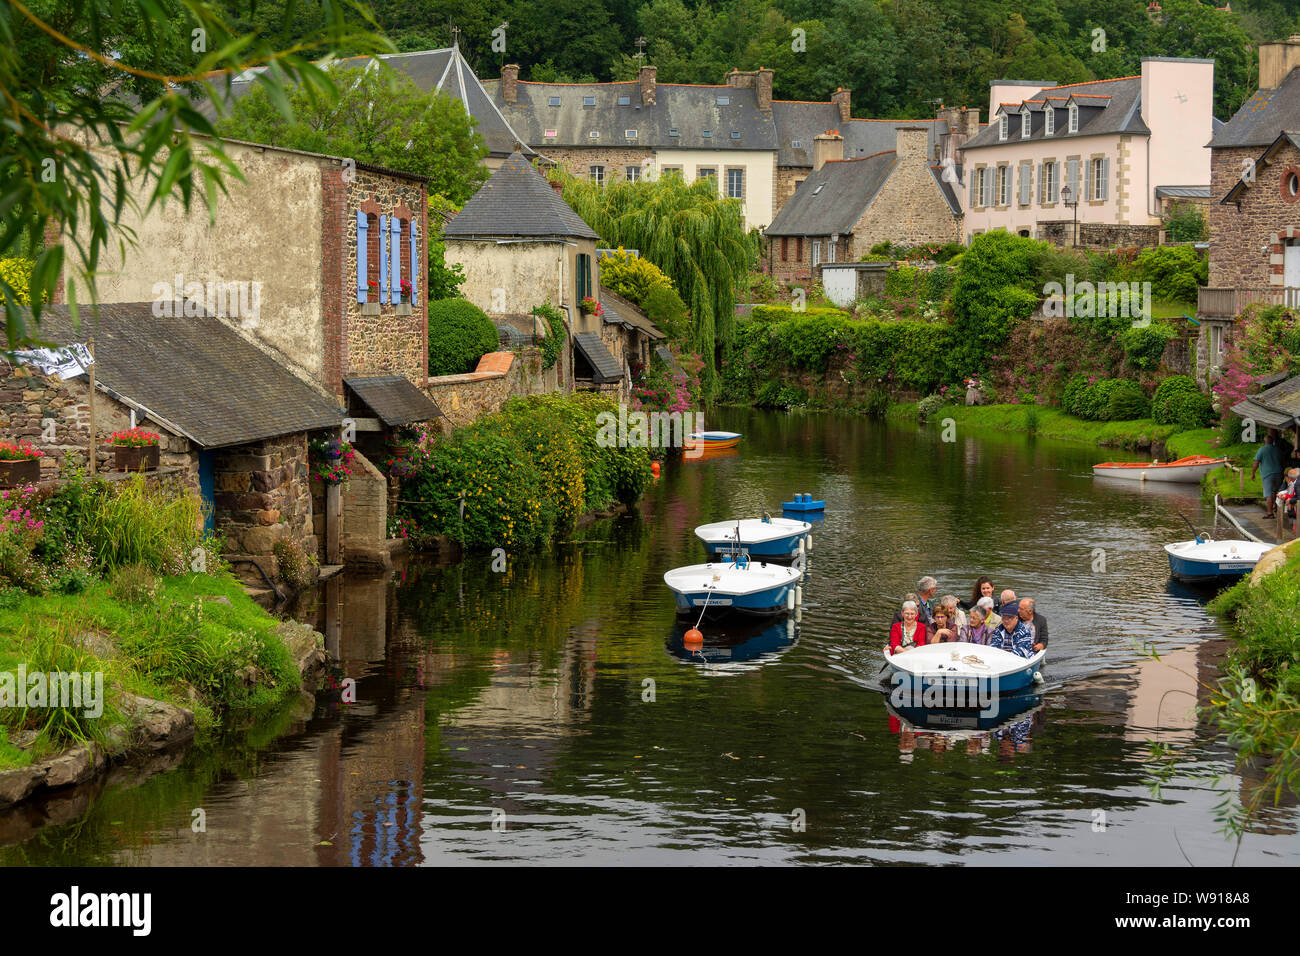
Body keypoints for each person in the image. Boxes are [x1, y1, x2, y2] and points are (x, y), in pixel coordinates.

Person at [1252, 434, 1285, 518]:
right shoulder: (1278, 450)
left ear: (1264, 442)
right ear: (1272, 442)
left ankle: (1270, 513)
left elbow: (1256, 462)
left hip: (1267, 475)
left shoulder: (1262, 450)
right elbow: (1283, 462)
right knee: (1277, 492)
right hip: (1279, 474)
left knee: (1268, 494)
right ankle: (1277, 509)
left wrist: (1253, 473)